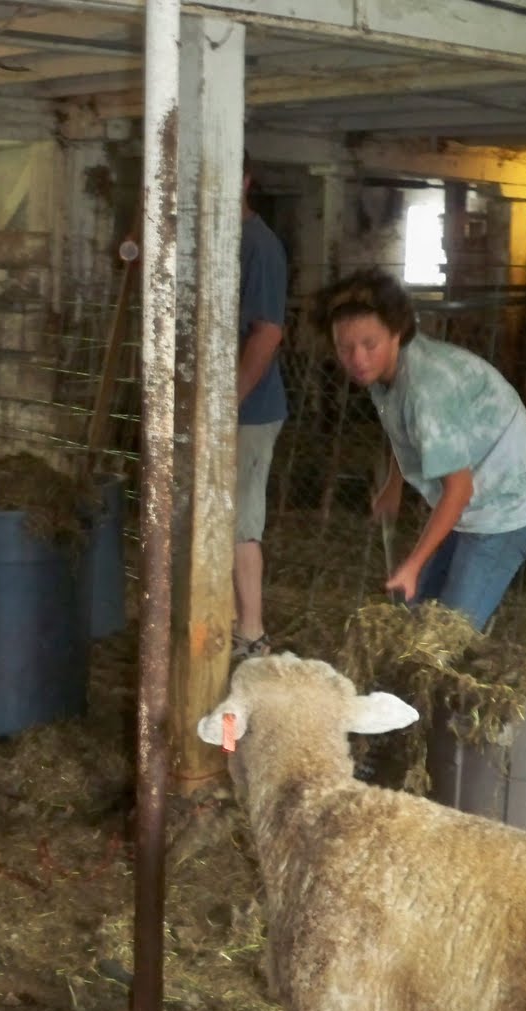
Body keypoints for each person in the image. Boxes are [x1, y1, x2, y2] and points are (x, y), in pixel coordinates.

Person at [326, 268, 526, 631]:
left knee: (445, 633)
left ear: (396, 334)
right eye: (345, 347)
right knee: (417, 615)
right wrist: (393, 485)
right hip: (471, 501)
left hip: (504, 509)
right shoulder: (384, 374)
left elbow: (458, 490)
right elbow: (411, 433)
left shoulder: (425, 389)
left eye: (370, 344)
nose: (358, 359)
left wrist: (413, 564)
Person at [233, 150, 289, 661]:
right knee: (214, 514)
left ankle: (252, 633)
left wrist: (227, 403)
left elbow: (267, 333)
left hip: (248, 410)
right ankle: (223, 617)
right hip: (223, 407)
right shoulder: (216, 239)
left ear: (246, 179)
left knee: (240, 519)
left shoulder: (260, 247)